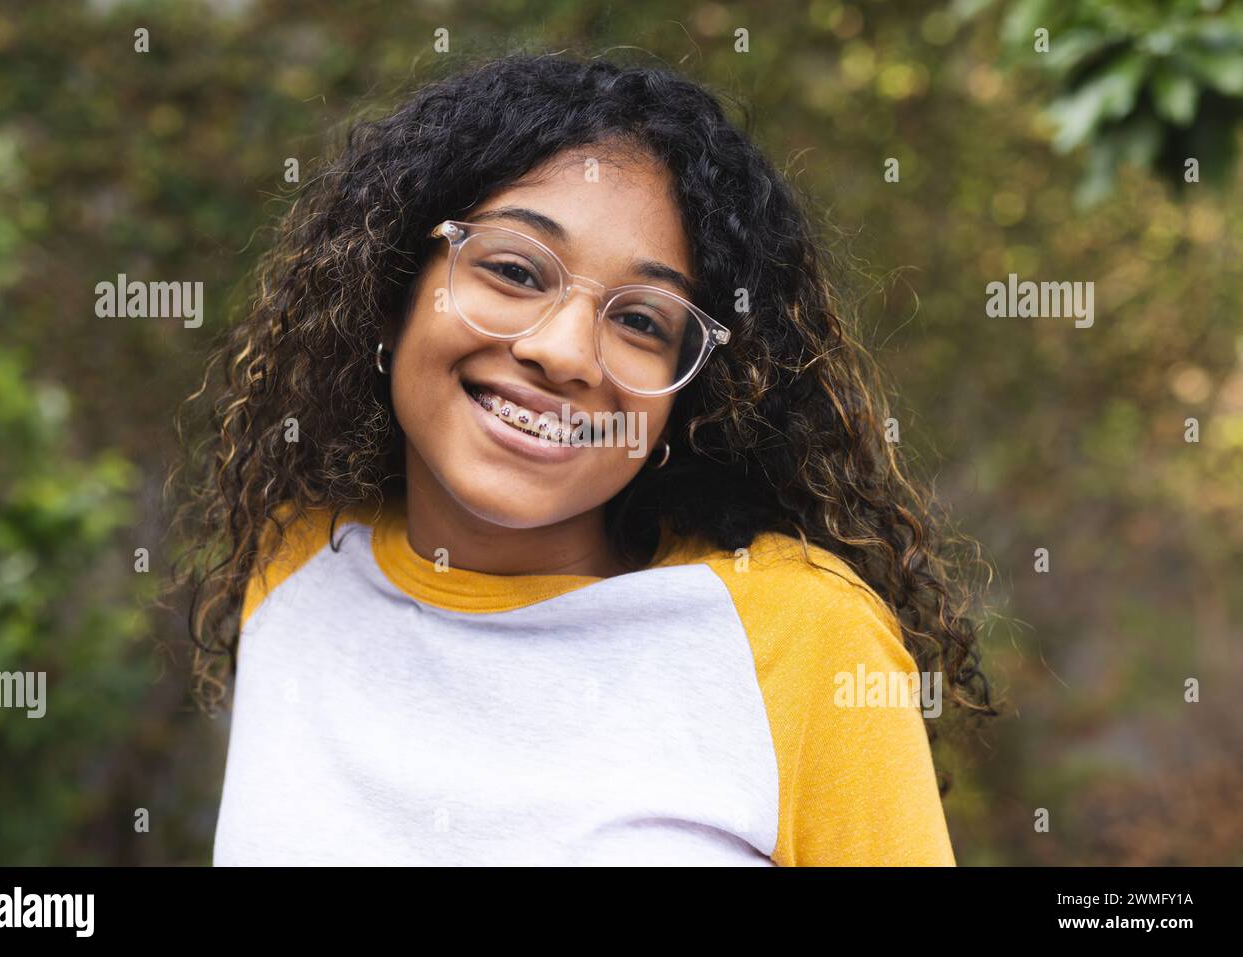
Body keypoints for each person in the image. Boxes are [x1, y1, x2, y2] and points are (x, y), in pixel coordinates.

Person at [172, 53, 993, 866]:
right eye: (514, 269)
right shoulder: (296, 566)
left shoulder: (803, 639)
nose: (565, 352)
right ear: (389, 291)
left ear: (687, 397)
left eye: (642, 321)